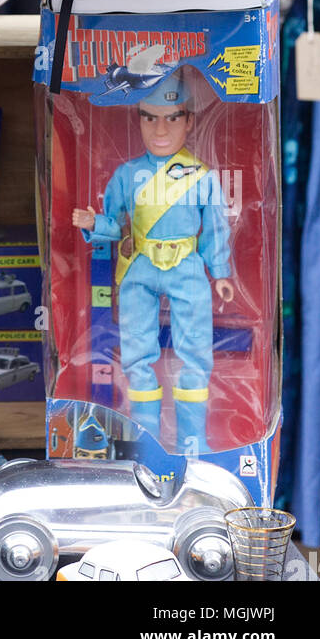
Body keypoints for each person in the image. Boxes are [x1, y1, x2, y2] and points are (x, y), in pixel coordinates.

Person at [71, 71, 234, 454]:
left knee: (195, 351)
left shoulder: (202, 176)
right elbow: (115, 223)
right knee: (137, 352)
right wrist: (95, 224)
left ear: (190, 120)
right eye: (149, 117)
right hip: (140, 267)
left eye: (172, 117)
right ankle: (145, 437)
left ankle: (193, 439)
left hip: (187, 266)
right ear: (139, 119)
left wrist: (221, 271)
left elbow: (214, 228)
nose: (160, 128)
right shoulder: (127, 175)